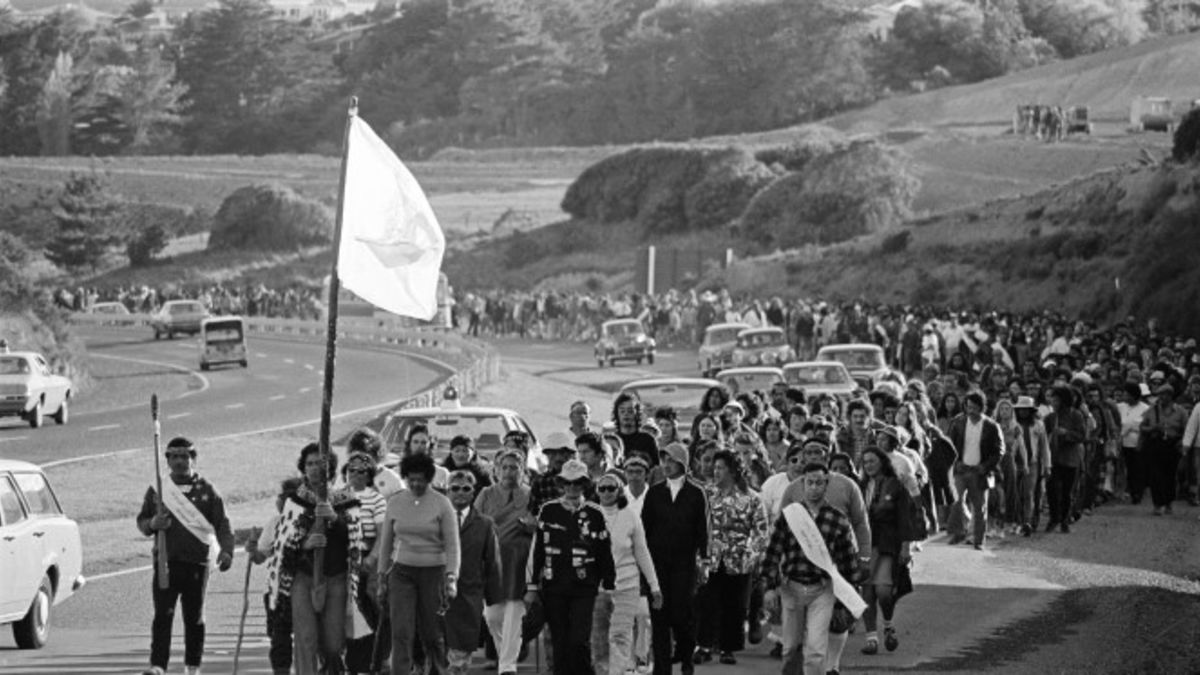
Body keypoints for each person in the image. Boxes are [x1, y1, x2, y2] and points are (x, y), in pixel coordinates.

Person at [136, 437, 235, 675]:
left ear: (193, 458)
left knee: (194, 617)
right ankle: (158, 665)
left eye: (185, 456)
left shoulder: (207, 490)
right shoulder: (158, 489)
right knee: (163, 616)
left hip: (197, 564)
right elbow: (142, 521)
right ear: (167, 460)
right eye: (174, 456)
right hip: (165, 563)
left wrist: (227, 551)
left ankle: (193, 665)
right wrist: (153, 523)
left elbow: (223, 523)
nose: (180, 461)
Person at [268, 443, 363, 675]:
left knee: (333, 643)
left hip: (336, 577)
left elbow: (355, 541)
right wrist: (304, 544)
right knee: (306, 638)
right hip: (303, 577)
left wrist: (334, 518)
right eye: (309, 464)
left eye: (318, 463)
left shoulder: (346, 499)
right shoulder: (295, 501)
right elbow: (282, 545)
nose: (313, 469)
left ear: (329, 467)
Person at [760, 462, 860, 675]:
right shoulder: (789, 515)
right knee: (790, 648)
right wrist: (769, 587)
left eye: (819, 483)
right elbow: (773, 552)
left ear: (826, 485)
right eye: (809, 482)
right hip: (791, 588)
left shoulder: (838, 519)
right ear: (802, 484)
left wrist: (849, 596)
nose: (814, 487)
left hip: (822, 590)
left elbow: (847, 560)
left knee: (815, 650)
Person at [524, 459, 616, 675]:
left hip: (585, 587)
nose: (572, 488)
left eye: (578, 483)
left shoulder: (596, 513)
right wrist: (531, 587)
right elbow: (536, 550)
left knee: (579, 640)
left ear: (585, 485)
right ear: (561, 484)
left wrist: (609, 586)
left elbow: (604, 552)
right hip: (554, 586)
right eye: (568, 483)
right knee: (560, 641)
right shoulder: (548, 510)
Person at [377, 452, 461, 675]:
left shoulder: (442, 504)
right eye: (411, 479)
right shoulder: (395, 502)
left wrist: (451, 576)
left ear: (429, 478)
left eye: (420, 479)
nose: (415, 484)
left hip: (433, 572)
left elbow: (452, 545)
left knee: (432, 632)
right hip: (401, 572)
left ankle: (438, 670)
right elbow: (386, 543)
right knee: (401, 630)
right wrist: (381, 577)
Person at [641, 442, 712, 675]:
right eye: (664, 460)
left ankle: (685, 655)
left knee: (681, 615)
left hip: (685, 563)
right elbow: (645, 530)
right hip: (658, 564)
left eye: (672, 460)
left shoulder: (696, 492)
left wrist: (706, 560)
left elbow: (704, 529)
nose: (667, 465)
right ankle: (662, 669)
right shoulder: (654, 493)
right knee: (659, 615)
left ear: (683, 462)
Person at [694, 451, 769, 666]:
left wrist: (749, 555)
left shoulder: (752, 498)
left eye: (720, 468)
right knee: (706, 603)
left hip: (739, 561)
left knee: (734, 606)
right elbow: (696, 525)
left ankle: (729, 648)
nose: (715, 471)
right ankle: (704, 645)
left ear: (733, 470)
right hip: (710, 560)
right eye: (715, 467)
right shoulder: (706, 495)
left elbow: (760, 531)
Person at [590, 471, 662, 675]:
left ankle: (618, 672)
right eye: (601, 488)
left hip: (627, 585)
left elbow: (642, 552)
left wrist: (654, 585)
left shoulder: (630, 516)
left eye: (611, 488)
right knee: (599, 638)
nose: (606, 492)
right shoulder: (588, 515)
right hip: (598, 587)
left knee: (621, 635)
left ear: (619, 490)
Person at [476, 449, 536, 675]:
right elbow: (476, 524)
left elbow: (539, 523)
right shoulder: (486, 494)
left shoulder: (530, 495)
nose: (509, 471)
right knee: (492, 617)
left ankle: (507, 667)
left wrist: (532, 525)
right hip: (492, 563)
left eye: (514, 467)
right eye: (505, 467)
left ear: (522, 471)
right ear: (496, 470)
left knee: (513, 614)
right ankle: (507, 656)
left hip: (519, 562)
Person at [857, 446, 916, 656]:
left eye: (872, 461)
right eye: (865, 462)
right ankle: (871, 639)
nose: (869, 465)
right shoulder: (860, 486)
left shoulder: (895, 485)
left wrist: (906, 545)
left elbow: (904, 518)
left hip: (887, 543)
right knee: (867, 591)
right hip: (864, 545)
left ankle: (888, 625)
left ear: (882, 461)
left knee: (883, 590)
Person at [444, 471, 502, 675]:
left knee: (459, 662)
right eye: (455, 488)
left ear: (473, 492)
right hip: (434, 594)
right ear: (447, 491)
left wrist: (493, 598)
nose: (460, 492)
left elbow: (492, 562)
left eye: (466, 488)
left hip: (469, 595)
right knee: (433, 654)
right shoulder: (434, 519)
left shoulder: (485, 524)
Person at [246, 477, 302, 675]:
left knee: (309, 639)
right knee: (279, 639)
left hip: (304, 588)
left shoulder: (312, 522)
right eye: (283, 496)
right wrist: (253, 551)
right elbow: (261, 556)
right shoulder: (275, 523)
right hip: (275, 590)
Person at [946, 391, 1006, 550]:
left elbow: (999, 450)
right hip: (960, 469)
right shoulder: (957, 422)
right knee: (956, 501)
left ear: (981, 408)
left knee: (979, 508)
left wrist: (985, 467)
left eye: (974, 407)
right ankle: (960, 531)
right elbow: (949, 445)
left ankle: (978, 540)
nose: (970, 410)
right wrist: (955, 462)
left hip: (979, 472)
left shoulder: (991, 426)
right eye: (968, 407)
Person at [1044, 384, 1087, 532]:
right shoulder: (1050, 417)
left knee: (1067, 492)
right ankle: (1053, 518)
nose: (1052, 403)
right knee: (1052, 490)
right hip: (1053, 459)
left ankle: (1064, 519)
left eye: (1056, 400)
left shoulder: (1076, 415)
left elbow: (1082, 435)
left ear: (1063, 401)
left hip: (1070, 459)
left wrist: (1066, 433)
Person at [1140, 383, 1188, 516]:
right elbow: (1142, 427)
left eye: (1165, 394)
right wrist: (1153, 428)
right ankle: (1157, 504)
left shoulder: (1180, 411)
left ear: (1171, 396)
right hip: (1156, 445)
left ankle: (1168, 503)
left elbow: (1186, 429)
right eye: (1160, 395)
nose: (1162, 397)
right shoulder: (1152, 410)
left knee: (1170, 475)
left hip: (1172, 446)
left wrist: (1181, 442)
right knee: (1155, 475)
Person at [1014, 396, 1051, 536]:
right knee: (1016, 492)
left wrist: (1047, 465)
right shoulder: (1013, 424)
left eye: (1026, 410)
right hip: (1014, 463)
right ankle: (1017, 520)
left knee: (1029, 493)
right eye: (1020, 410)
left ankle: (1028, 521)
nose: (1023, 412)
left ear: (1031, 411)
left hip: (1032, 463)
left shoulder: (1038, 425)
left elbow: (1044, 446)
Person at [613, 392, 660, 467]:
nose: (626, 414)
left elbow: (656, 469)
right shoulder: (613, 441)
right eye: (622, 411)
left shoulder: (648, 440)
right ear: (616, 414)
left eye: (630, 411)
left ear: (637, 413)